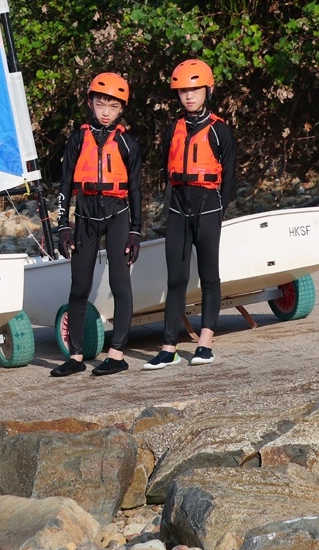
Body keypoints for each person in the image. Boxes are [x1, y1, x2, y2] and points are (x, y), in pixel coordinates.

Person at [50, 74, 145, 378]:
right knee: (79, 286)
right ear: (90, 103)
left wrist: (136, 230)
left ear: (121, 109)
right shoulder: (77, 140)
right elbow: (65, 184)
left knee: (120, 284)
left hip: (118, 215)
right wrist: (63, 225)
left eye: (113, 107)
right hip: (86, 216)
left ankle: (117, 355)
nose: (106, 112)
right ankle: (76, 356)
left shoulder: (128, 143)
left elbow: (136, 189)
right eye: (101, 104)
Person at [151, 59, 237, 369]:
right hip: (178, 207)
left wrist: (218, 211)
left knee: (209, 276)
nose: (189, 96)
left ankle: (205, 343)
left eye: (195, 90)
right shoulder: (172, 130)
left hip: (208, 206)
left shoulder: (220, 130)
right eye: (183, 91)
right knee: (176, 278)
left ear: (207, 91)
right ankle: (168, 348)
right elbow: (165, 167)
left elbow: (230, 177)